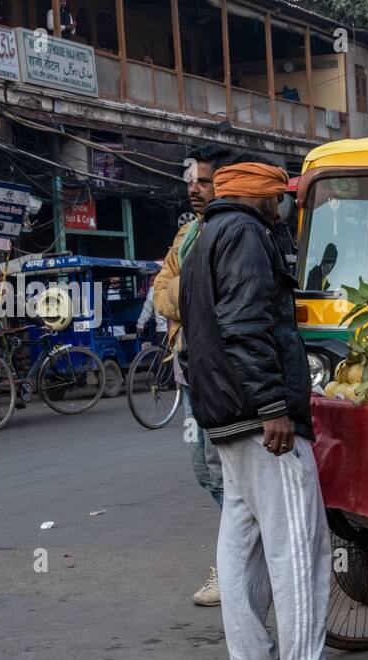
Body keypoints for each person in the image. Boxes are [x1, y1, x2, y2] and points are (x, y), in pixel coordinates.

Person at [179, 155, 368, 660]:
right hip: (257, 415)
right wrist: (272, 407)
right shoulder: (245, 235)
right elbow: (245, 329)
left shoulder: (205, 235)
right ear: (264, 198)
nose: (282, 208)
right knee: (299, 542)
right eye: (279, 199)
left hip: (222, 411)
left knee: (242, 538)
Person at [153, 144, 229, 606]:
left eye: (203, 180)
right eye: (191, 181)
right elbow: (162, 290)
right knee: (204, 471)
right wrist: (186, 291)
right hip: (188, 371)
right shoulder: (186, 235)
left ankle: (235, 562)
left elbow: (208, 293)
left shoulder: (228, 231)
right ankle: (241, 554)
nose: (194, 188)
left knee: (222, 473)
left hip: (217, 372)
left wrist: (185, 291)